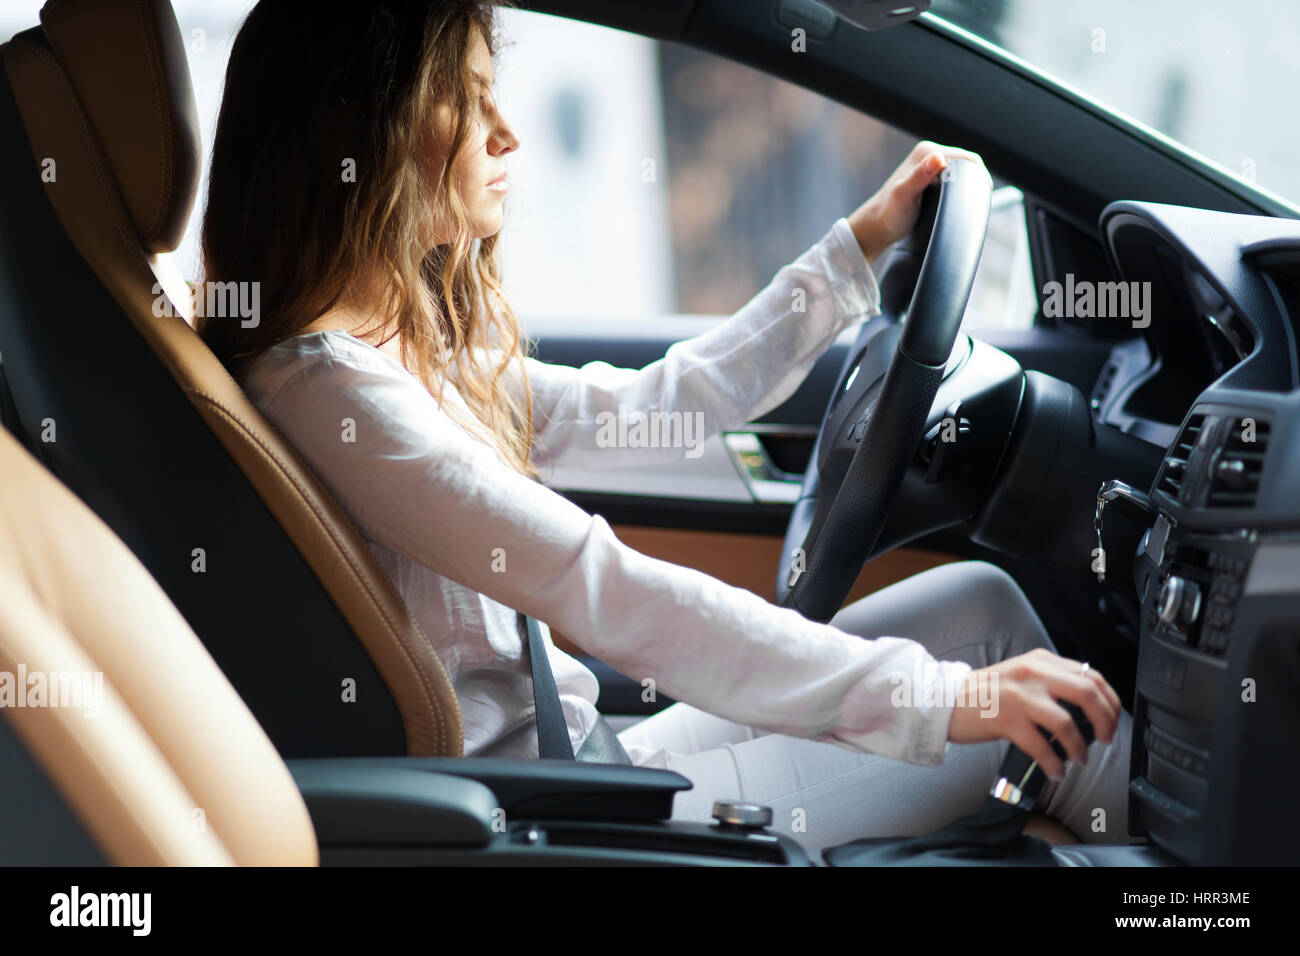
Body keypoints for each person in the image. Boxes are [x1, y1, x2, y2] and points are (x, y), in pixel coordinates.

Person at [195, 0, 1132, 857]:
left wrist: (855, 249)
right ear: (359, 131)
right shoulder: (337, 395)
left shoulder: (393, 359)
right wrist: (943, 700)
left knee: (987, 611)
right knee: (1050, 726)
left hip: (578, 757)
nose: (507, 131)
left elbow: (656, 408)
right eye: (466, 98)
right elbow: (602, 586)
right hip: (548, 809)